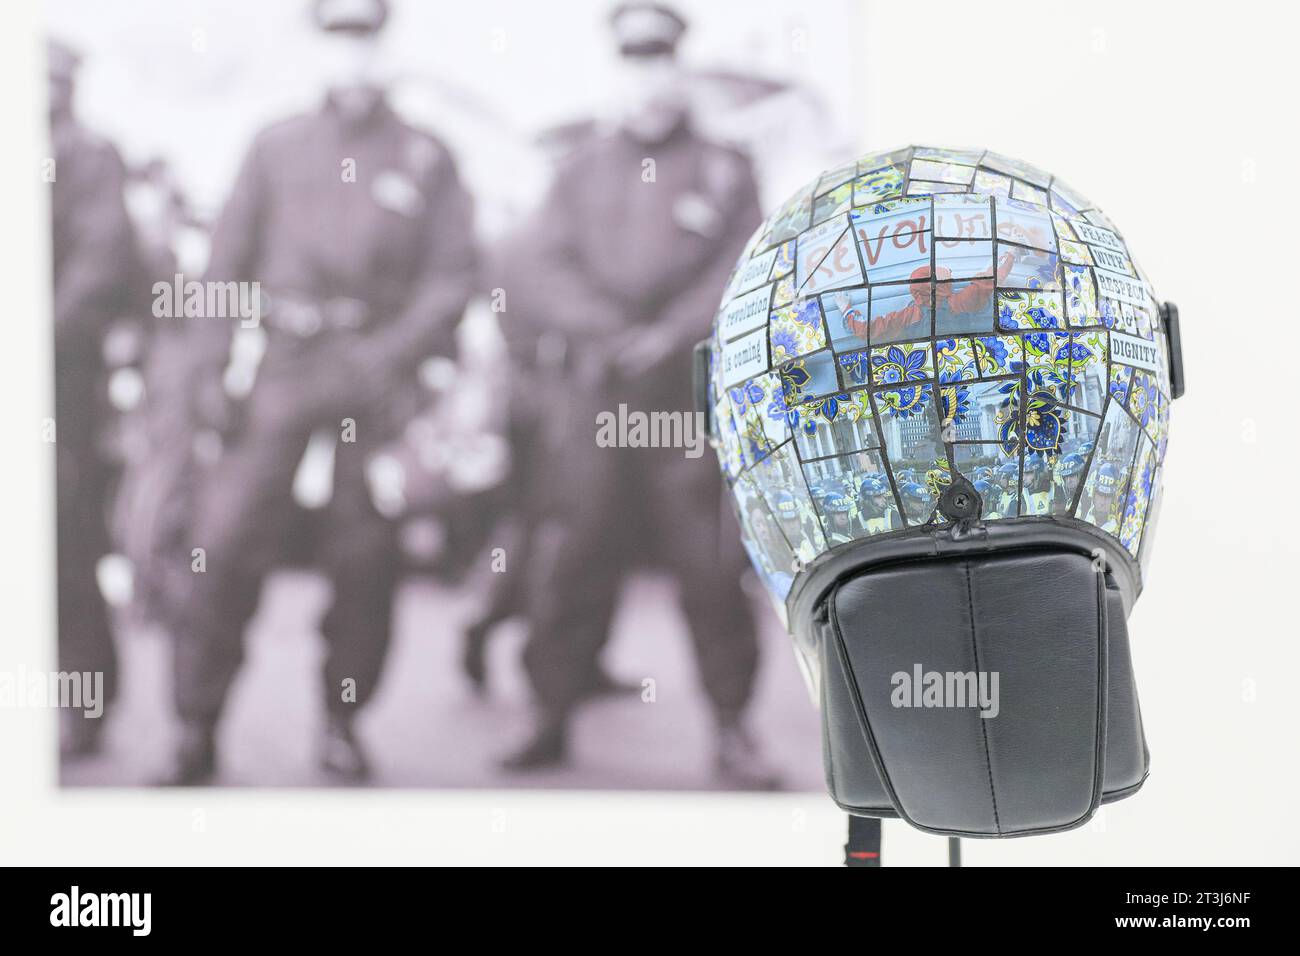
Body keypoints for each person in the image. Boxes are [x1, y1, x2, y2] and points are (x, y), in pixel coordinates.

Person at [161, 0, 476, 784]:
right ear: (319, 43)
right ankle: (196, 728)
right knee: (223, 549)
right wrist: (206, 371)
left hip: (373, 381)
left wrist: (396, 351)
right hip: (282, 370)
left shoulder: (427, 156)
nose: (353, 51)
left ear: (386, 41)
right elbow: (223, 266)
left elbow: (453, 277)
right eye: (338, 34)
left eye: (365, 34)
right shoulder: (276, 146)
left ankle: (342, 722)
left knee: (363, 563)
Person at [502, 1, 777, 787]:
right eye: (634, 57)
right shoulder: (582, 164)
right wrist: (609, 331)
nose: (648, 71)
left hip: (680, 403)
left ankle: (732, 729)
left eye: (660, 55)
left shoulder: (727, 166)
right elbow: (541, 264)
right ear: (615, 66)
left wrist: (671, 335)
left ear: (680, 64)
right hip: (596, 396)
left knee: (709, 570)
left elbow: (742, 266)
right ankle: (549, 715)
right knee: (571, 558)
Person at [49, 38, 142, 757]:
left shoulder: (89, 158)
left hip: (57, 381)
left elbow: (101, 261)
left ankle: (85, 699)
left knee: (62, 539)